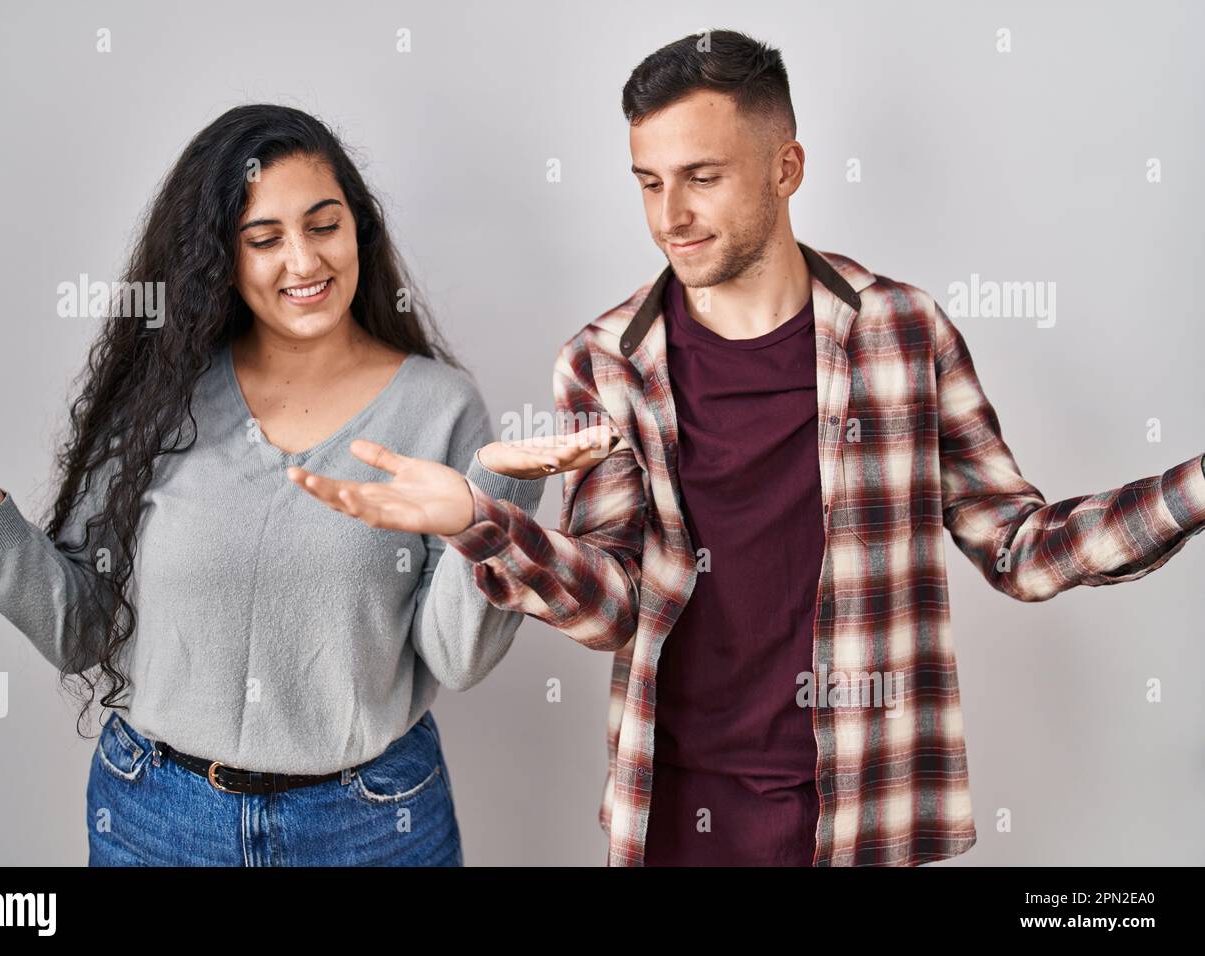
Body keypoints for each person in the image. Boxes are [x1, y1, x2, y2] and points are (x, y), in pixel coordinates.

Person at [307, 30, 1205, 867]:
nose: (671, 215)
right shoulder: (607, 362)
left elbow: (1020, 548)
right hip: (677, 820)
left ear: (787, 168)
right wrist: (481, 522)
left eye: (701, 176)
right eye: (649, 181)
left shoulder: (902, 331)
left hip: (865, 813)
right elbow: (615, 605)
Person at [0, 103, 549, 866]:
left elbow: (456, 659)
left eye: (323, 225)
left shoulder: (440, 409)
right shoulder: (158, 402)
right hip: (156, 821)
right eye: (264, 239)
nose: (304, 263)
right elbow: (80, 631)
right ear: (221, 256)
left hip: (371, 827)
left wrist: (495, 506)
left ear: (359, 230)